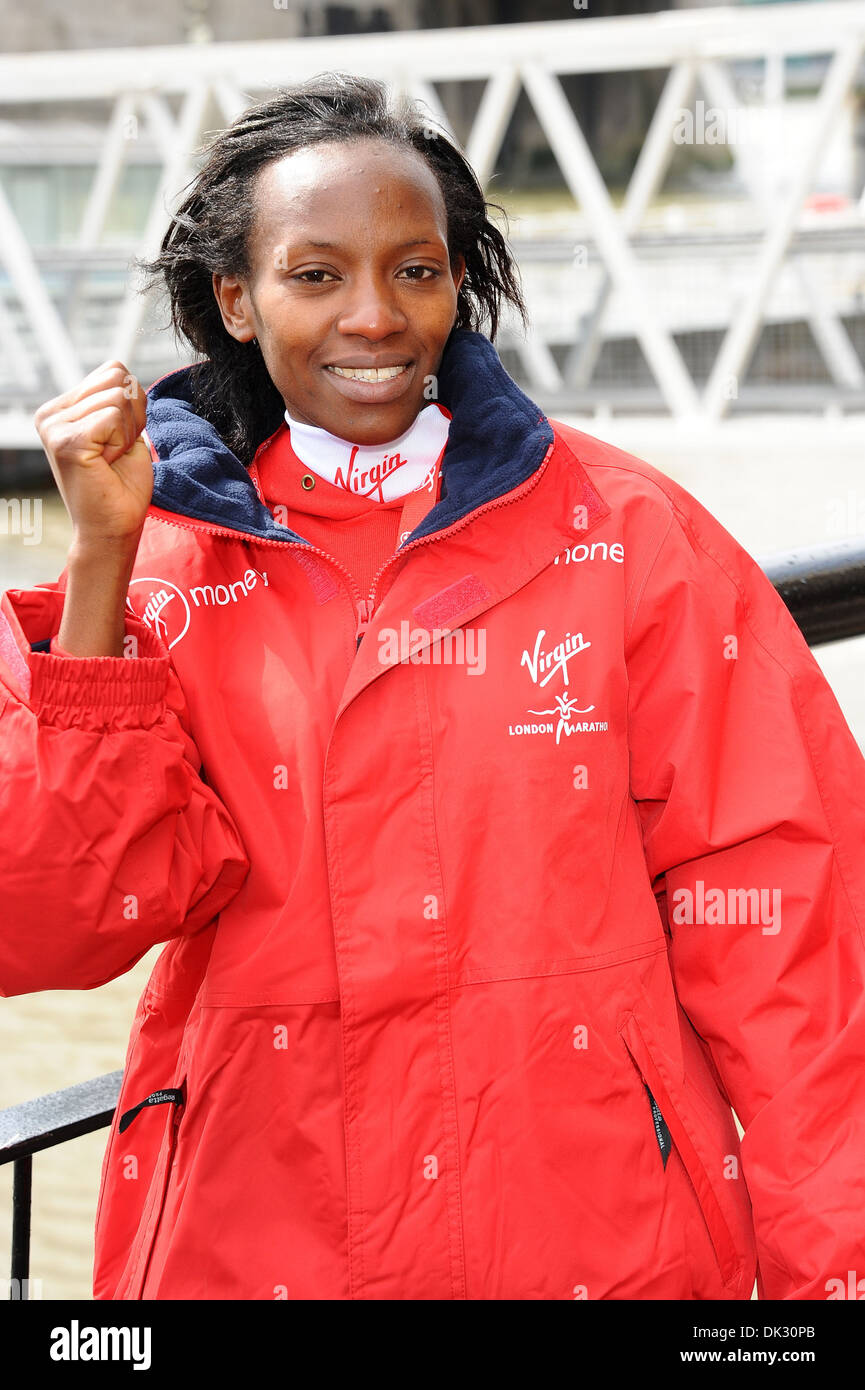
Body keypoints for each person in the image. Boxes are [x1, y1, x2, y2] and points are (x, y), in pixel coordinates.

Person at [1, 72, 864, 1303]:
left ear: (459, 286)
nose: (375, 316)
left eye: (415, 269)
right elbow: (49, 918)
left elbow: (790, 925)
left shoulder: (625, 537)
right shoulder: (160, 571)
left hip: (594, 1238)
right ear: (234, 302)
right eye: (315, 275)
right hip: (255, 1236)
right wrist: (98, 559)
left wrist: (829, 1276)